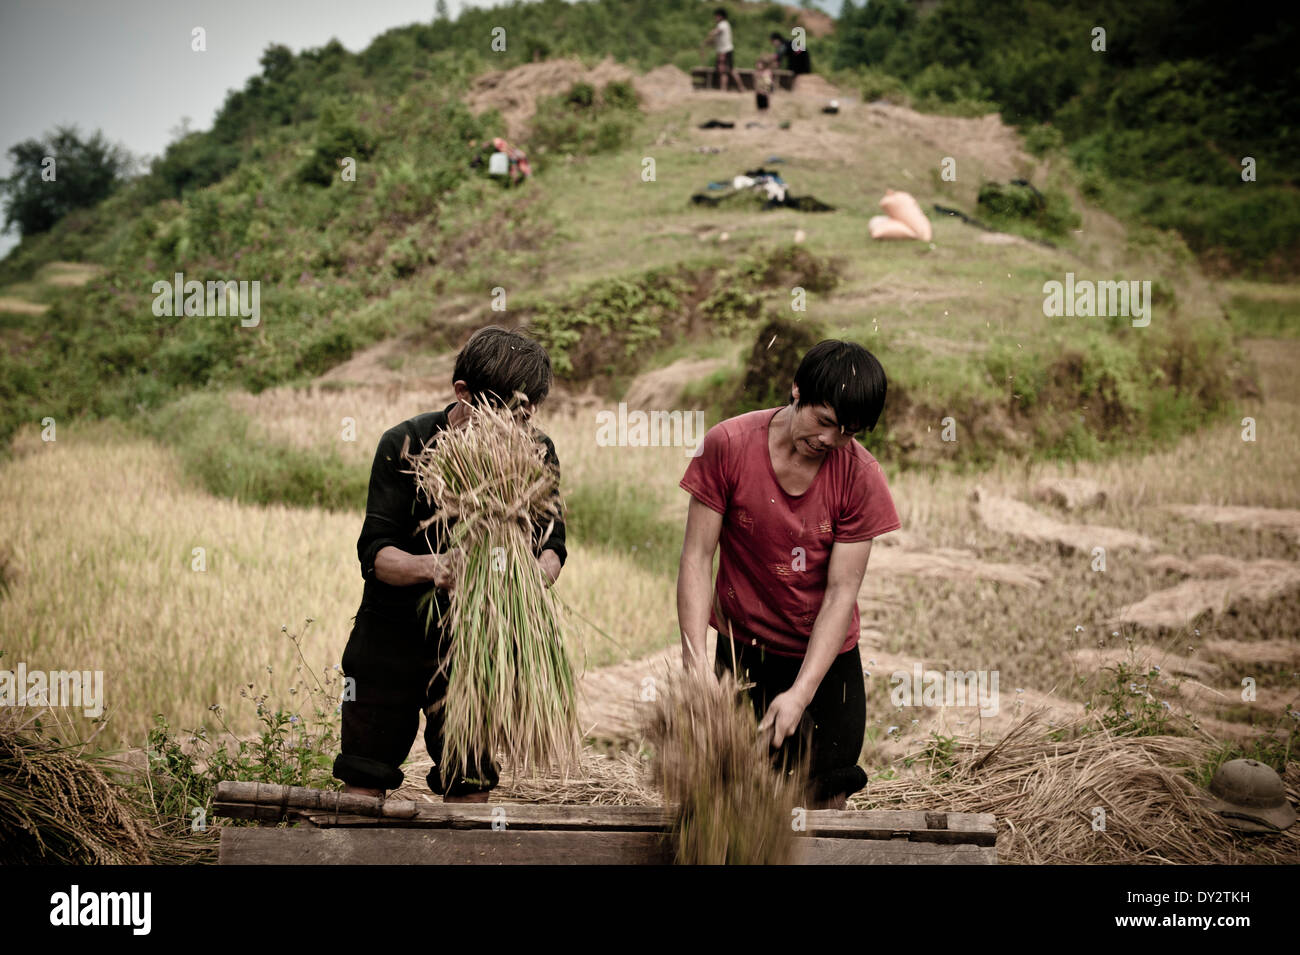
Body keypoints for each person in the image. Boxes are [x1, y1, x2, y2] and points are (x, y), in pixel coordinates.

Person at [332, 326, 567, 803]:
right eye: (505, 411)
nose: (516, 426)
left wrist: (529, 579)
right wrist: (439, 567)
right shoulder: (406, 444)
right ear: (463, 392)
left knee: (471, 784)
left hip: (476, 645)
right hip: (389, 638)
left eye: (527, 412)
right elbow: (377, 555)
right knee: (364, 778)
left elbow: (552, 545)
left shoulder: (535, 452)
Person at [676, 340, 900, 810]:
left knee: (823, 801)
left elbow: (841, 594)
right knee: (724, 794)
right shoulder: (728, 445)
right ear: (797, 390)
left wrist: (800, 694)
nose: (830, 440)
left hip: (824, 662)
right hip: (741, 652)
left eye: (847, 431)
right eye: (823, 421)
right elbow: (698, 557)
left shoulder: (860, 476)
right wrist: (696, 666)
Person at [703, 7, 744, 93]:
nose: (715, 18)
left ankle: (726, 89)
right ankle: (737, 88)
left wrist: (710, 34)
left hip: (725, 51)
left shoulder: (723, 24)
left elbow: (716, 32)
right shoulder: (724, 24)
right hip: (724, 50)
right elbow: (717, 39)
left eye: (716, 16)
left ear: (721, 16)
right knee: (726, 70)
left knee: (726, 71)